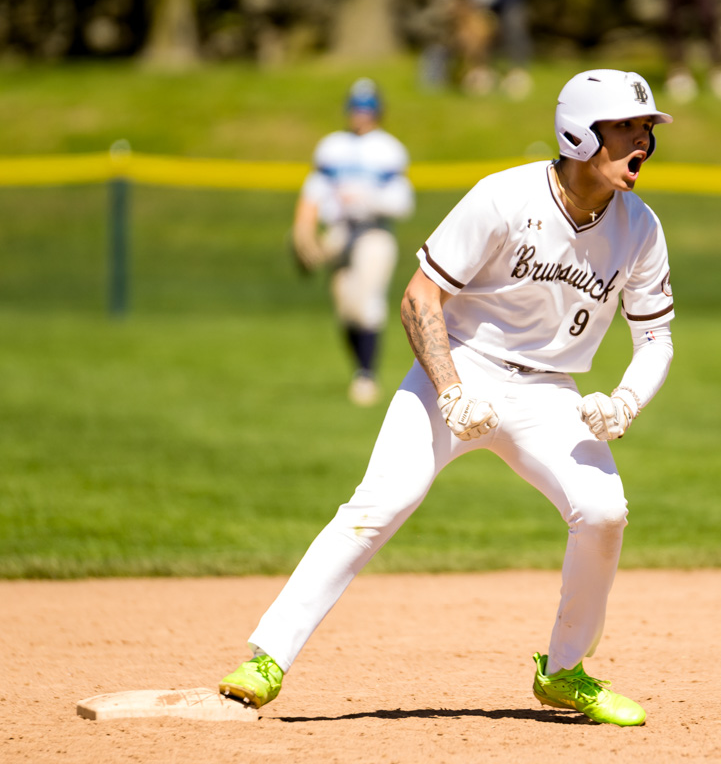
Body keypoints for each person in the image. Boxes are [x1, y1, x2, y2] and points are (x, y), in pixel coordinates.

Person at [219, 69, 677, 727]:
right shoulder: (503, 197)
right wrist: (452, 391)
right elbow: (418, 298)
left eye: (647, 132)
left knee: (603, 511)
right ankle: (267, 658)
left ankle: (566, 671)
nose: (642, 143)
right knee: (380, 503)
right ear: (580, 133)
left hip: (550, 392)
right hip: (459, 369)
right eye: (628, 128)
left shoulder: (640, 228)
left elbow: (655, 339)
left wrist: (626, 400)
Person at [291, 78, 416, 406]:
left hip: (373, 232)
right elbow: (314, 189)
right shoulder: (332, 145)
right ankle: (359, 370)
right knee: (345, 306)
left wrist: (366, 199)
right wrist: (303, 226)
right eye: (357, 108)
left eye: (368, 108)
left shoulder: (388, 148)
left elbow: (403, 201)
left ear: (378, 111)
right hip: (339, 232)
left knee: (367, 300)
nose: (362, 114)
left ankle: (367, 375)